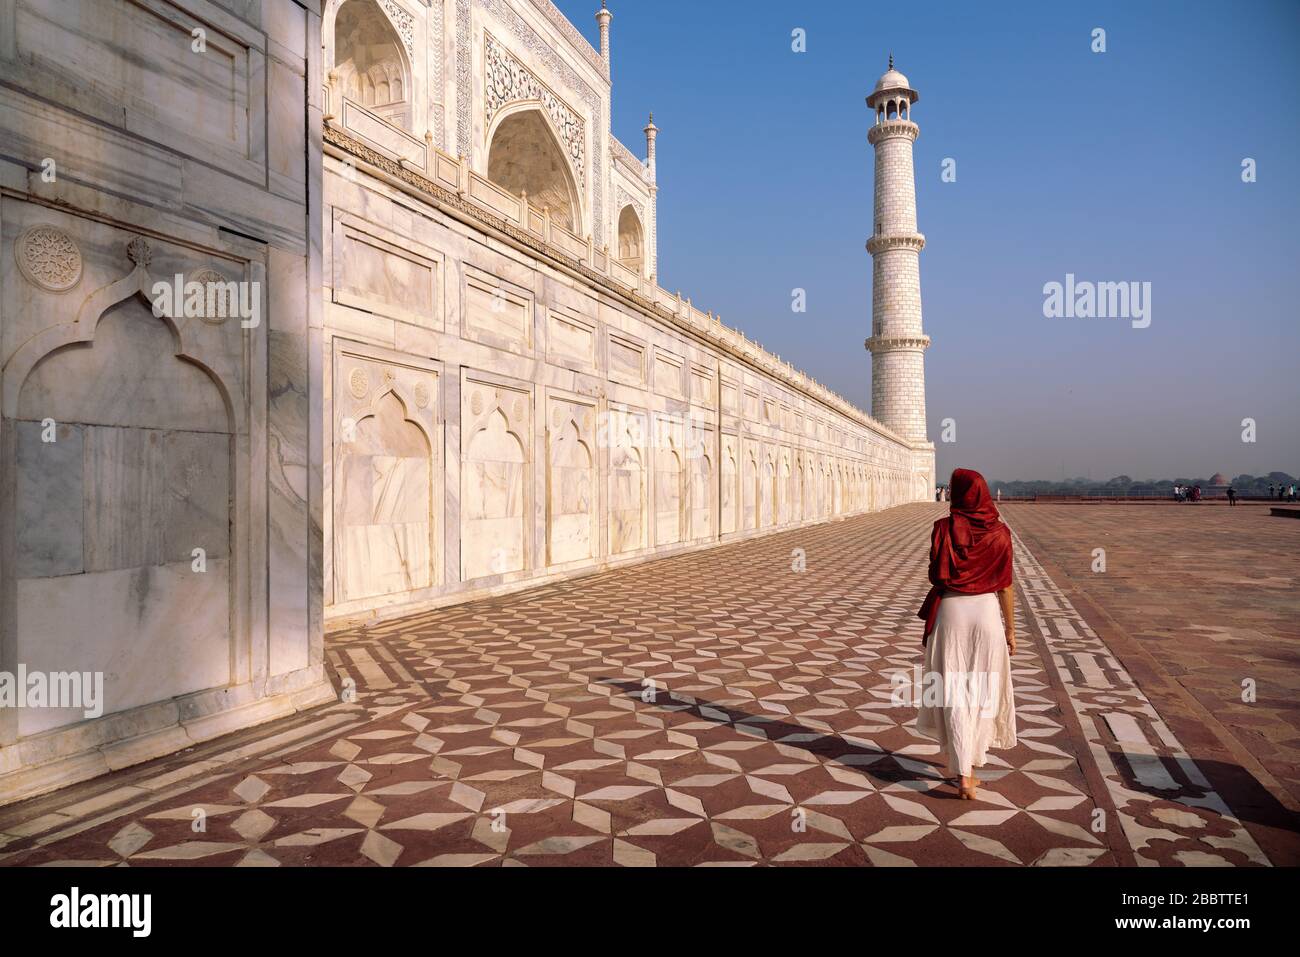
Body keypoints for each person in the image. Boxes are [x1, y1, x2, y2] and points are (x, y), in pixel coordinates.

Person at [915, 468, 1017, 801]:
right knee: (983, 692)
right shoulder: (1001, 533)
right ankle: (971, 766)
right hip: (987, 615)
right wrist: (1011, 630)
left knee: (954, 691)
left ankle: (964, 774)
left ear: (957, 495)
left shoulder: (942, 529)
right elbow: (1005, 586)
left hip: (952, 612)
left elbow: (935, 573)